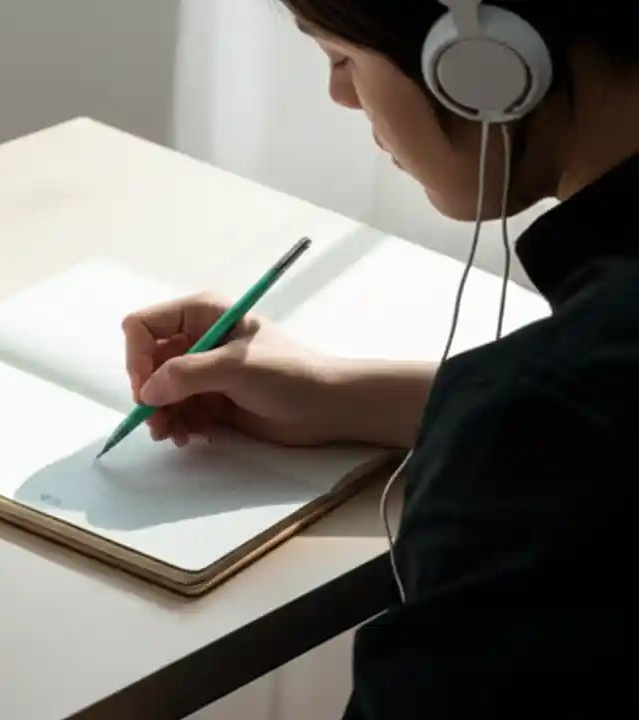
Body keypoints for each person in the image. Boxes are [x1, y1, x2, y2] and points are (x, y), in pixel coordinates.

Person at [121, 1, 636, 716]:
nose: (338, 94)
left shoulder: (533, 435)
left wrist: (486, 420)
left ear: (482, 63)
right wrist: (339, 394)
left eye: (340, 56)